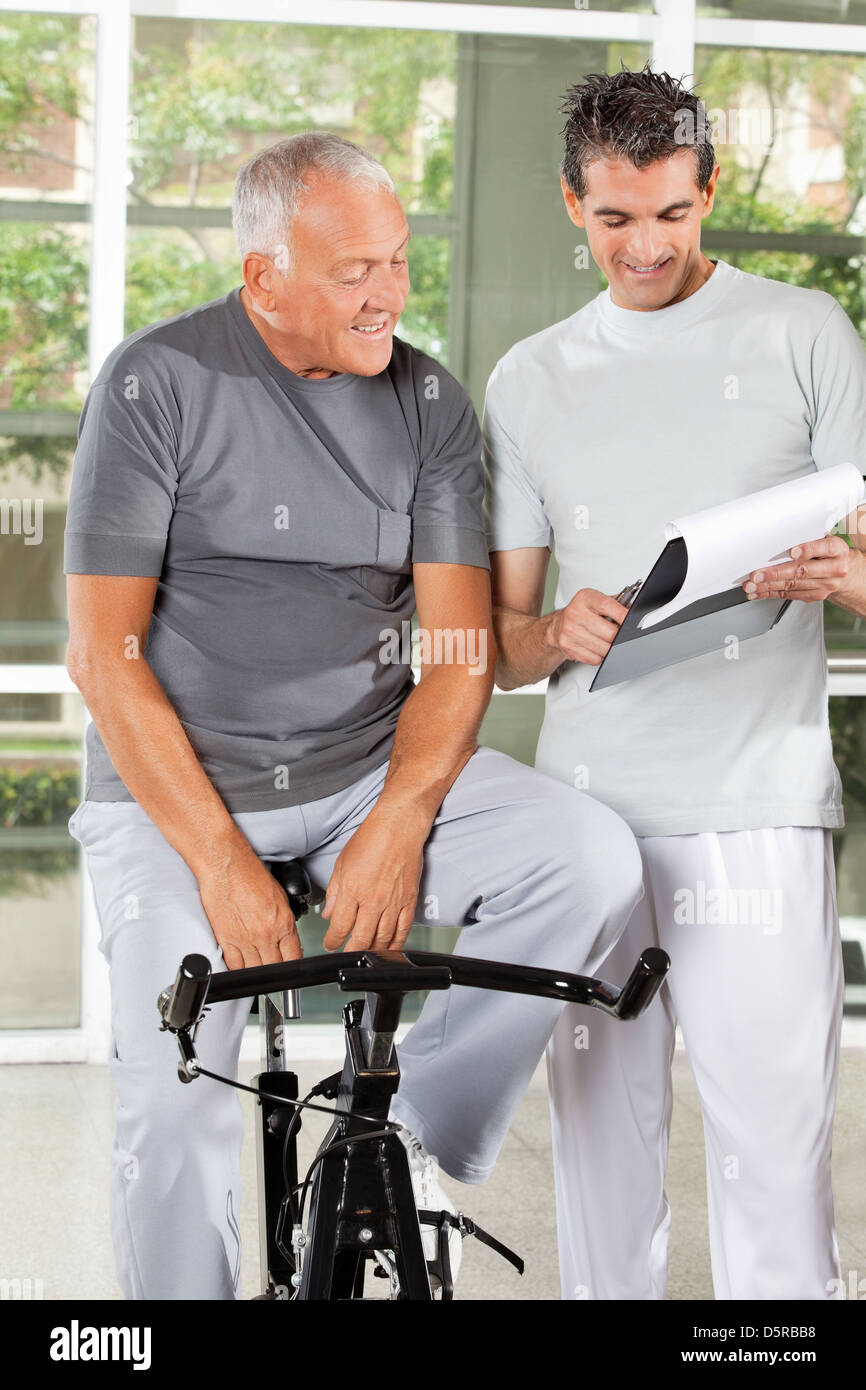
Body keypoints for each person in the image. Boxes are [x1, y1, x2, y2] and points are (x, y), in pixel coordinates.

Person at [64, 131, 644, 1300]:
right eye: (352, 273)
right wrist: (222, 863)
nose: (386, 293)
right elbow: (105, 658)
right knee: (173, 1087)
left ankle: (409, 1131)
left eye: (395, 261)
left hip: (360, 769)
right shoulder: (154, 386)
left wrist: (397, 815)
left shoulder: (428, 402)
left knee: (586, 859)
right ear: (262, 279)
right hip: (176, 794)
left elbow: (455, 650)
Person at [482, 65, 866, 1301]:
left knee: (771, 1149)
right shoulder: (527, 379)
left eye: (668, 214)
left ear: (707, 191)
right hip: (587, 829)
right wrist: (558, 631)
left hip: (754, 807)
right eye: (611, 220)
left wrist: (837, 576)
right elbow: (493, 642)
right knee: (601, 1154)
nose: (642, 247)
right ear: (569, 204)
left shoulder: (805, 333)